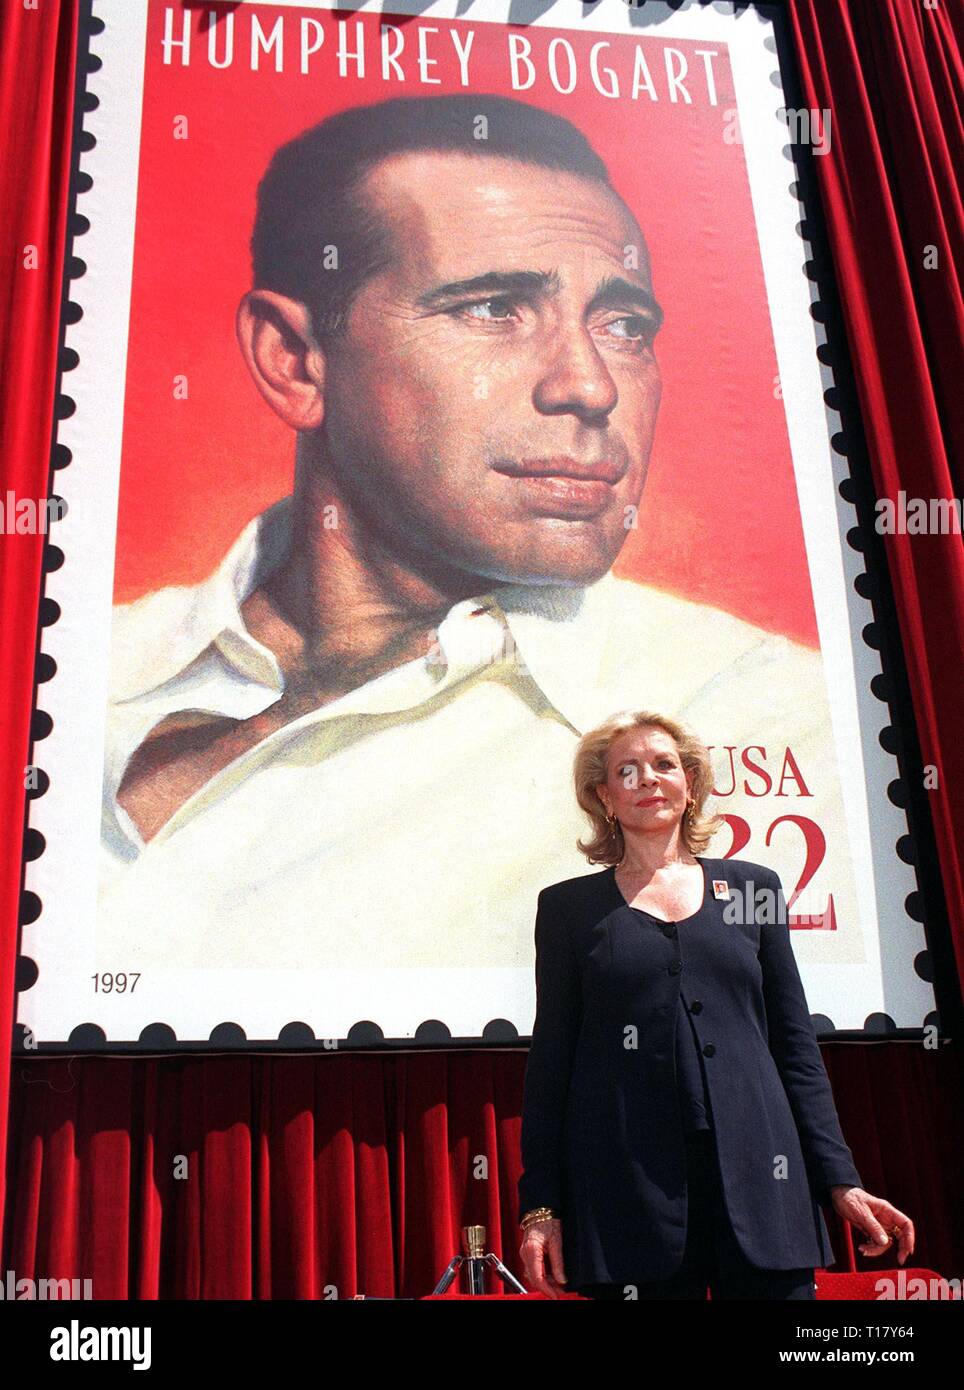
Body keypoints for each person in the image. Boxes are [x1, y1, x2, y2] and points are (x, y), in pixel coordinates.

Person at [98, 95, 859, 975]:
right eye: (494, 307)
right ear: (296, 361)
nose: (591, 386)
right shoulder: (83, 670)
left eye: (623, 326)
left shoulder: (776, 725)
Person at [517, 710, 915, 1299]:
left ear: (691, 783)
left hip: (764, 1183)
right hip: (627, 1194)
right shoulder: (568, 909)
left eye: (664, 765)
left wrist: (840, 1181)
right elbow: (552, 1064)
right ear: (604, 797)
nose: (648, 779)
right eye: (627, 771)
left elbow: (794, 1047)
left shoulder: (753, 889)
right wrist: (540, 1207)